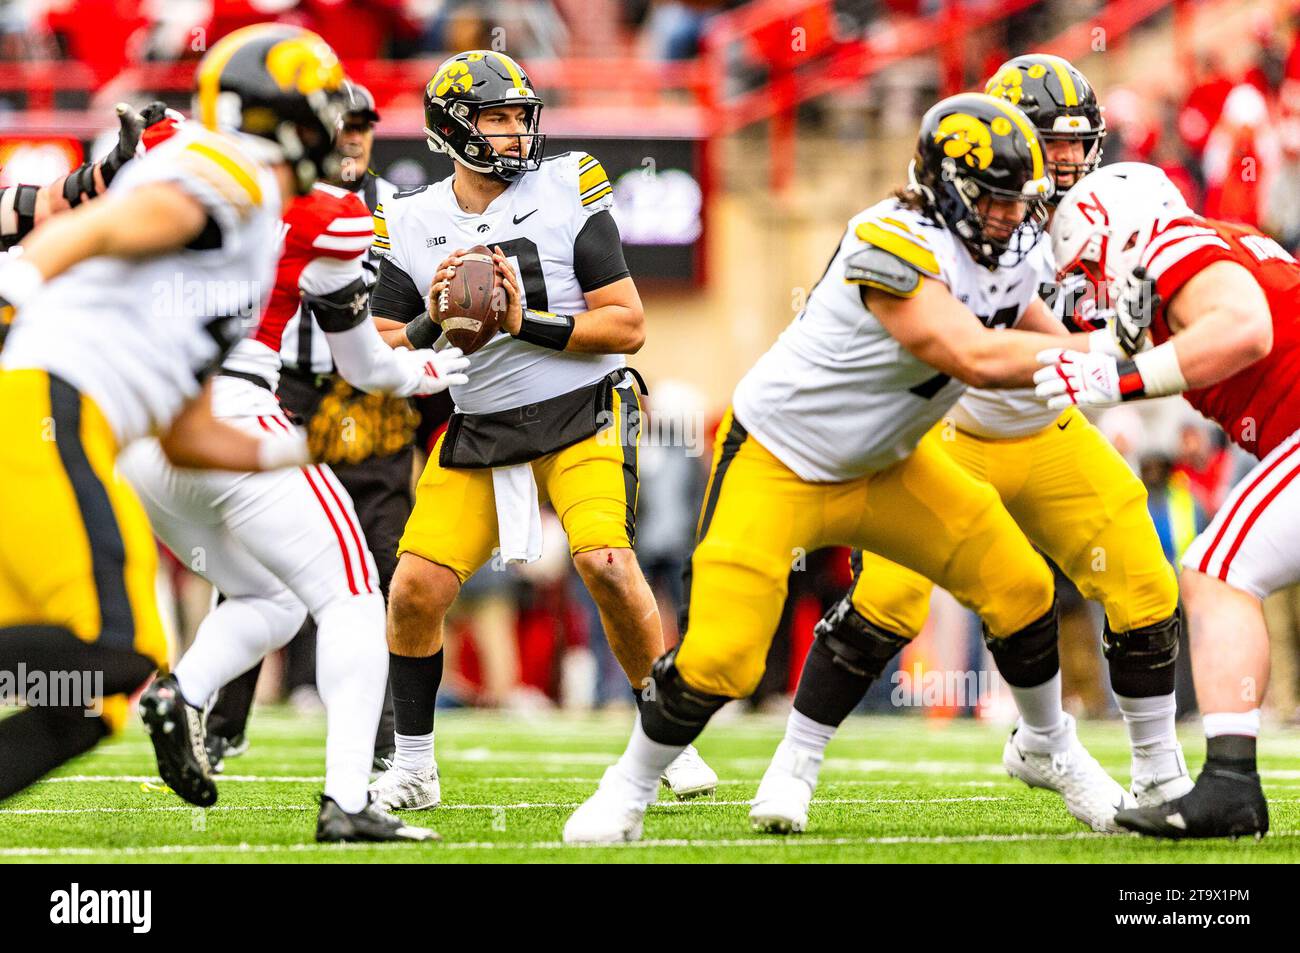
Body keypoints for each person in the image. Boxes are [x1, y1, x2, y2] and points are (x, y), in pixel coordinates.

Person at [563, 92, 1130, 844]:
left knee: (1020, 587)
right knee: (724, 654)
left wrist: (1128, 357)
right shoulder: (887, 239)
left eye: (1014, 201)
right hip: (780, 459)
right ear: (945, 187)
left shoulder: (1014, 245)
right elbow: (971, 353)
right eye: (990, 200)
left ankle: (1050, 748)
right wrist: (1116, 352)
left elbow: (1038, 334)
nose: (1006, 216)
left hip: (888, 464)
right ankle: (626, 785)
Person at [750, 54, 1190, 836]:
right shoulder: (963, 216)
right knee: (887, 599)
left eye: (1077, 143)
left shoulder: (1113, 208)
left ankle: (1160, 772)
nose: (1067, 161)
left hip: (1049, 428)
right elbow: (976, 344)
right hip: (953, 429)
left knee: (1144, 580)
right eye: (1050, 143)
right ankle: (795, 762)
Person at [118, 38, 468, 843]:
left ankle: (185, 694)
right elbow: (365, 362)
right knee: (350, 597)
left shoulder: (173, 148)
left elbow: (127, 157)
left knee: (270, 597)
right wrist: (426, 368)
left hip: (138, 432)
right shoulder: (330, 214)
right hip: (232, 412)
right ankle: (347, 798)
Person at [366, 49, 717, 812]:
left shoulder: (568, 185)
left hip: (581, 407)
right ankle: (416, 765)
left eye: (522, 117)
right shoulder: (410, 219)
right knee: (415, 590)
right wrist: (437, 320)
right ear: (453, 128)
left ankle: (669, 736)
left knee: (608, 564)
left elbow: (628, 325)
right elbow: (377, 347)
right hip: (482, 423)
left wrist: (525, 322)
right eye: (497, 117)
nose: (517, 133)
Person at [0, 23, 331, 803]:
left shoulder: (243, 245)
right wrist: (21, 275)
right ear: (277, 118)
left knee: (97, 693)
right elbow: (109, 224)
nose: (338, 134)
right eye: (321, 116)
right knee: (115, 651)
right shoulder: (236, 172)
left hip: (57, 416)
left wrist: (301, 451)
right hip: (48, 405)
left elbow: (187, 433)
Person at [1037, 160, 1300, 838]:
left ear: (1119, 235)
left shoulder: (1172, 244)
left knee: (1216, 569)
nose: (1092, 293)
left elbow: (1247, 330)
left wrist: (1119, 378)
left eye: (1089, 273)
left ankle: (1231, 785)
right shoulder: (1198, 255)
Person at [203, 81, 411, 772]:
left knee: (380, 565)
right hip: (285, 393)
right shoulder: (278, 197)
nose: (353, 137)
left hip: (372, 399)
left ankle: (380, 744)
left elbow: (415, 307)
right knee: (259, 559)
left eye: (363, 126)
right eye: (342, 125)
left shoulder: (401, 211)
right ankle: (223, 722)